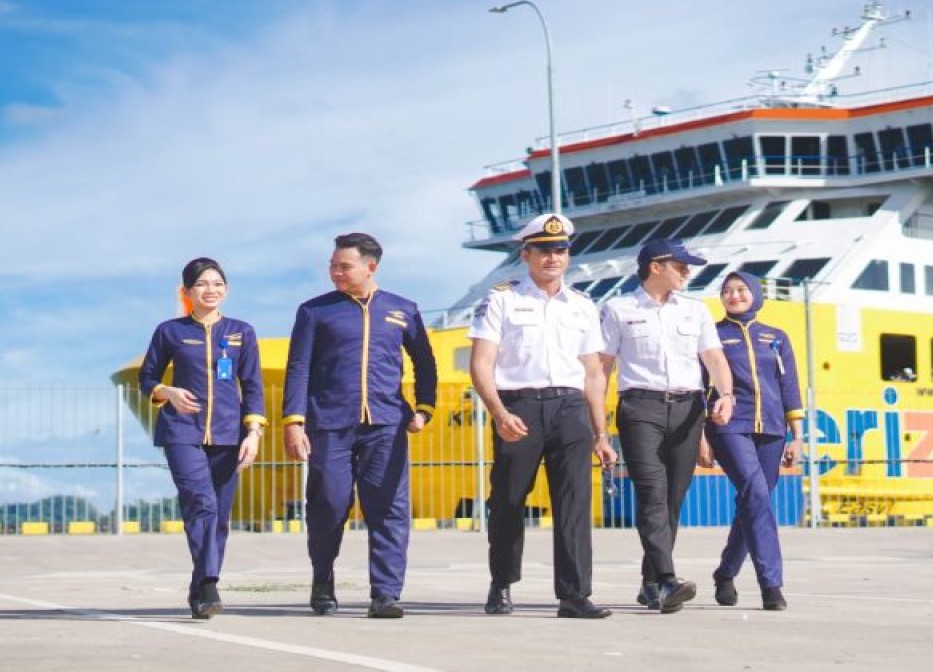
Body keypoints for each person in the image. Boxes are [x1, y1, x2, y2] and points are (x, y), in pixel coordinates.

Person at [468, 213, 618, 620]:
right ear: (527, 253)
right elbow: (481, 363)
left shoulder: (584, 306)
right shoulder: (502, 299)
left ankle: (574, 594)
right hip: (519, 406)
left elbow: (592, 374)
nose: (553, 257)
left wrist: (601, 434)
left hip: (570, 410)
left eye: (560, 250)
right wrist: (498, 412)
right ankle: (501, 584)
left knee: (574, 503)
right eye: (544, 250)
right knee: (508, 500)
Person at [282, 233, 437, 619]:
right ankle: (323, 580)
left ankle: (385, 594)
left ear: (371, 266)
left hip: (386, 424)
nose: (335, 272)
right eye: (332, 265)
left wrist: (424, 410)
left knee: (388, 509)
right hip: (329, 424)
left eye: (344, 266)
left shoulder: (403, 309)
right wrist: (294, 421)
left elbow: (425, 363)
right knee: (329, 505)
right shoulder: (315, 311)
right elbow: (298, 367)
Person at [599, 238, 735, 613]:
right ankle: (666, 580)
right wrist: (597, 425)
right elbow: (602, 368)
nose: (687, 272)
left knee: (673, 499)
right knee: (652, 495)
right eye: (680, 265)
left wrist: (726, 395)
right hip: (640, 408)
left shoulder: (695, 310)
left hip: (689, 409)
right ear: (655, 267)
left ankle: (649, 584)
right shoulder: (617, 309)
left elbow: (714, 357)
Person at [139, 257, 266, 619]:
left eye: (217, 284)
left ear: (226, 290)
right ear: (187, 292)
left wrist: (253, 432)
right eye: (202, 284)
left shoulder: (242, 331)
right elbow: (147, 378)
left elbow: (253, 386)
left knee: (220, 517)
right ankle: (210, 583)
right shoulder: (170, 331)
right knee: (201, 503)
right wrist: (168, 392)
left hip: (229, 435)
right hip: (181, 432)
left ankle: (200, 592)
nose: (210, 290)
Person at [703, 271, 804, 612]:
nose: (734, 295)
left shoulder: (776, 337)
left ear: (756, 294)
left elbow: (789, 387)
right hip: (729, 425)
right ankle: (771, 585)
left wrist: (797, 436)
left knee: (753, 503)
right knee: (756, 493)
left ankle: (726, 572)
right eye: (727, 290)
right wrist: (703, 435)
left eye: (741, 289)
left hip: (773, 429)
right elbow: (701, 385)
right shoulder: (713, 335)